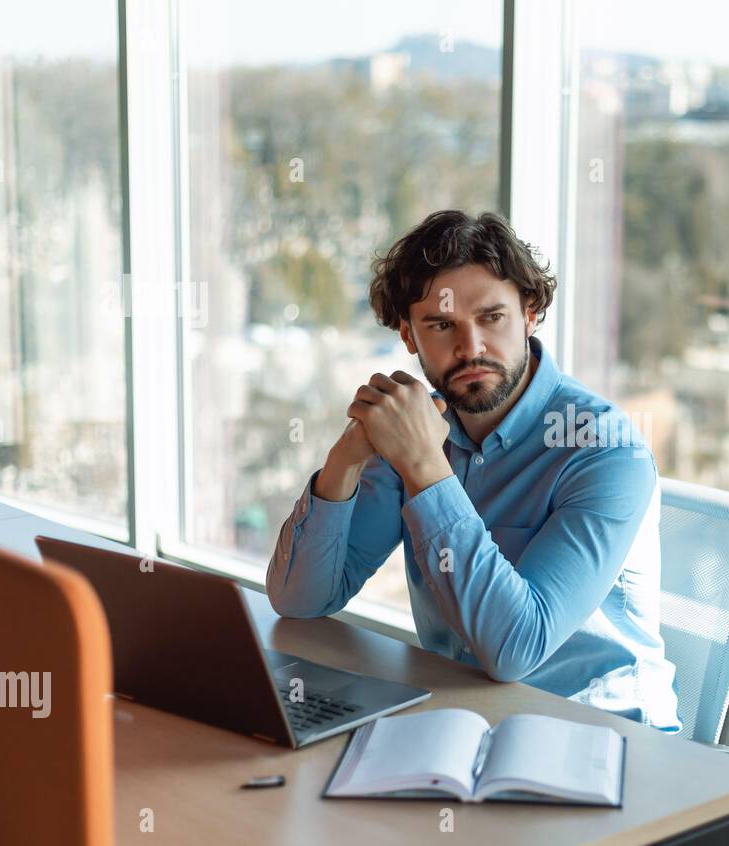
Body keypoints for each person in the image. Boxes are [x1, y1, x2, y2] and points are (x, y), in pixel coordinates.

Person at [266, 209, 682, 733]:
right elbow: (300, 601)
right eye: (441, 326)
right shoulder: (422, 427)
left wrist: (424, 467)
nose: (471, 348)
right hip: (464, 721)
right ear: (409, 337)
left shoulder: (604, 449)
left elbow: (517, 648)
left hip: (605, 736)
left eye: (491, 317)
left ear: (530, 313)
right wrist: (345, 461)